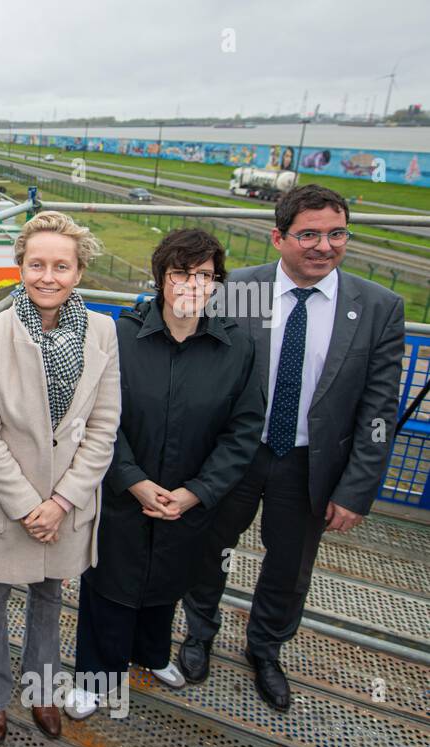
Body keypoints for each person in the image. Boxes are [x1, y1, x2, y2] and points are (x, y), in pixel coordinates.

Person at [180, 185, 405, 710]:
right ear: (279, 237)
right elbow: (199, 367)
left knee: (290, 564)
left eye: (337, 234)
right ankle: (198, 633)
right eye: (308, 234)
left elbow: (379, 410)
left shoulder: (376, 307)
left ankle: (265, 649)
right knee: (209, 548)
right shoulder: (240, 289)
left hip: (310, 463)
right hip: (236, 453)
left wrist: (356, 490)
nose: (324, 246)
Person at [65, 229, 264, 720]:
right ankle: (95, 676)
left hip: (190, 498)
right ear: (160, 278)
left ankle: (152, 655)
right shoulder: (120, 337)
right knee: (109, 584)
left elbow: (244, 431)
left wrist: (198, 492)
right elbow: (93, 416)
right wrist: (131, 478)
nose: (192, 284)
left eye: (205, 275)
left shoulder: (237, 347)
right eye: (181, 273)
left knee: (169, 580)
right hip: (121, 492)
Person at [0, 211, 120, 744]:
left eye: (61, 266)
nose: (47, 276)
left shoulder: (103, 332)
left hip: (65, 507)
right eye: (36, 265)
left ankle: (43, 690)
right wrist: (30, 505)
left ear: (79, 272)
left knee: (50, 597)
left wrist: (62, 502)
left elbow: (104, 426)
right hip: (8, 505)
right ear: (20, 268)